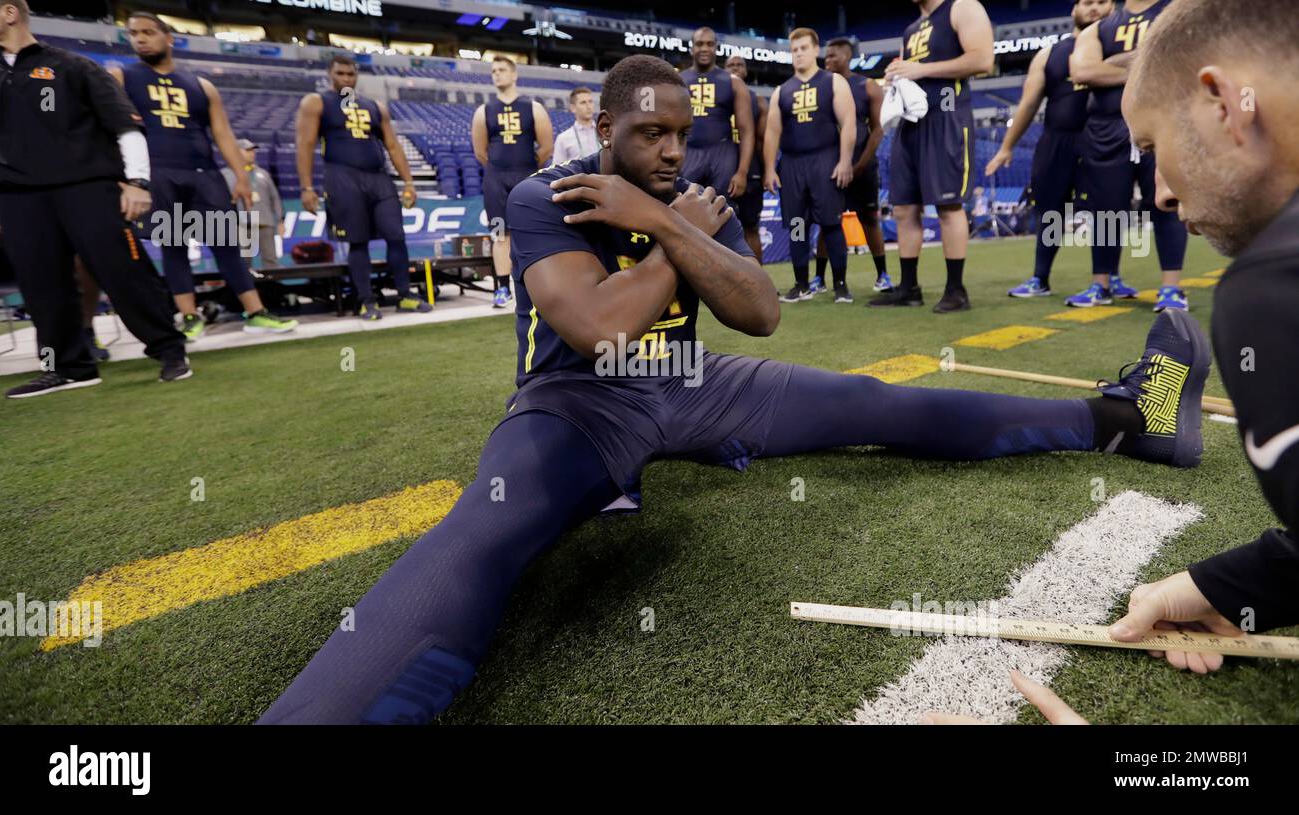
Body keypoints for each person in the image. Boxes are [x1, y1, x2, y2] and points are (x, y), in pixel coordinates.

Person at [259, 55, 1210, 725]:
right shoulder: (543, 197)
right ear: (602, 127)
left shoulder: (688, 198)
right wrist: (669, 228)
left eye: (683, 134)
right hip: (578, 398)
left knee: (877, 403)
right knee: (483, 533)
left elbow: (759, 311)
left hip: (690, 380)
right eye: (650, 135)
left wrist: (669, 226)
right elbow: (595, 328)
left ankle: (1128, 419)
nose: (674, 151)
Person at [933, 0, 1299, 723]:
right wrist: (1239, 585)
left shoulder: (1271, 295)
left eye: (1155, 145)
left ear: (1222, 101)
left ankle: (1131, 421)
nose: (1159, 189)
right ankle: (1131, 419)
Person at [0, 0, 191, 398]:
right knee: (41, 286)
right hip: (19, 196)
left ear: (9, 12)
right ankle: (69, 367)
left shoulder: (73, 66)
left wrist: (138, 181)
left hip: (88, 187)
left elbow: (126, 127)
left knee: (125, 271)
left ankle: (170, 350)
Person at [114, 12, 297, 341]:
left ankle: (256, 312)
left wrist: (241, 177)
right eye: (133, 34)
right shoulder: (122, 77)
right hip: (159, 171)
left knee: (227, 244)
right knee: (174, 245)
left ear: (168, 37)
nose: (140, 39)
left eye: (148, 32)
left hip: (203, 173)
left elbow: (223, 134)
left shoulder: (201, 85)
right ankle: (188, 316)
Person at [871, 0, 994, 313]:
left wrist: (920, 69)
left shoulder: (962, 7)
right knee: (903, 207)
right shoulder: (912, 29)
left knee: (948, 204)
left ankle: (956, 289)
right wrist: (898, 76)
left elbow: (983, 60)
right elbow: (915, 72)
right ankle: (909, 287)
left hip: (947, 114)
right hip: (912, 121)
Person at [1068, 0, 1188, 311]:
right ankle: (1101, 284)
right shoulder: (1098, 28)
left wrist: (1112, 63)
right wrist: (1149, 61)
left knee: (1165, 202)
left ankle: (1171, 289)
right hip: (1105, 127)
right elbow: (1082, 70)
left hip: (1163, 118)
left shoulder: (1176, 10)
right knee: (1106, 211)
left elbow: (1180, 58)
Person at [296, 55, 430, 321]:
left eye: (351, 74)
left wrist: (409, 183)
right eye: (341, 74)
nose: (346, 78)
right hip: (341, 177)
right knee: (358, 242)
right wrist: (306, 187)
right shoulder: (317, 102)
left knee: (396, 235)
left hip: (378, 178)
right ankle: (366, 301)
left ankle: (405, 295)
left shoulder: (374, 106)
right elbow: (305, 144)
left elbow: (392, 145)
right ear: (330, 74)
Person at [994, 0, 1113, 299]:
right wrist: (1006, 147)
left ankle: (1109, 279)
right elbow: (1029, 103)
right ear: (1074, 8)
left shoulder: (1117, 47)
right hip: (1056, 140)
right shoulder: (1049, 54)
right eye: (1088, 2)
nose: (1094, 9)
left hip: (1102, 136)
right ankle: (1040, 278)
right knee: (1049, 211)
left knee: (1108, 213)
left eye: (1102, 2)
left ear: (1113, 7)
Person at [764, 28, 856, 304]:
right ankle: (801, 284)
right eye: (794, 50)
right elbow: (771, 133)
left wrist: (844, 160)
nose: (799, 54)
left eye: (804, 48)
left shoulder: (834, 82)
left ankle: (840, 285)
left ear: (816, 50)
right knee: (795, 226)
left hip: (825, 159)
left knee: (831, 224)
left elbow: (849, 122)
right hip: (791, 164)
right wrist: (770, 168)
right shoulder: (782, 91)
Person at [471, 56, 554, 308]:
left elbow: (546, 147)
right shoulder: (483, 111)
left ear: (514, 74)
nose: (496, 74)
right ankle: (502, 289)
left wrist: (526, 168)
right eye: (493, 70)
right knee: (499, 234)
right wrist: (500, 169)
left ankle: (537, 286)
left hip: (527, 175)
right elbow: (480, 152)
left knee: (531, 232)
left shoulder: (534, 108)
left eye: (502, 70)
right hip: (496, 179)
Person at [818, 37, 891, 300]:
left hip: (863, 166)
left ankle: (882, 274)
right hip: (829, 167)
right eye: (825, 57)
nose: (827, 61)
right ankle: (819, 278)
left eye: (832, 56)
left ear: (847, 57)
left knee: (870, 219)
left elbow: (878, 129)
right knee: (828, 222)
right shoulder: (819, 87)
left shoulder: (867, 86)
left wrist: (859, 165)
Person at [680, 27, 754, 201]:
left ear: (716, 48)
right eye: (699, 44)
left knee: (723, 212)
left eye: (709, 44)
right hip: (689, 151)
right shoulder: (678, 81)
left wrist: (742, 172)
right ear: (692, 48)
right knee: (684, 212)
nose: (705, 48)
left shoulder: (734, 82)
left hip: (723, 152)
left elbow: (746, 130)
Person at [724, 54, 767, 263]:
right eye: (730, 65)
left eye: (739, 65)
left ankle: (758, 282)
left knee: (751, 227)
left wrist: (767, 171)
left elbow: (762, 141)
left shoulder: (757, 100)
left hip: (751, 172)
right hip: (721, 168)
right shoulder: (716, 97)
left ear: (746, 71)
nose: (735, 68)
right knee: (722, 229)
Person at [221, 139, 283, 268]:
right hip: (242, 223)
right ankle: (248, 287)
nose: (252, 153)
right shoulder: (227, 174)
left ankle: (272, 287)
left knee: (270, 259)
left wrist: (280, 220)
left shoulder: (263, 174)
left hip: (264, 222)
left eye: (253, 151)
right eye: (247, 150)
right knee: (244, 262)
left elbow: (274, 198)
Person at [550, 87, 598, 166]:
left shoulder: (604, 133)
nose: (588, 106)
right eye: (583, 102)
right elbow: (557, 170)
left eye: (590, 101)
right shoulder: (563, 139)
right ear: (573, 108)